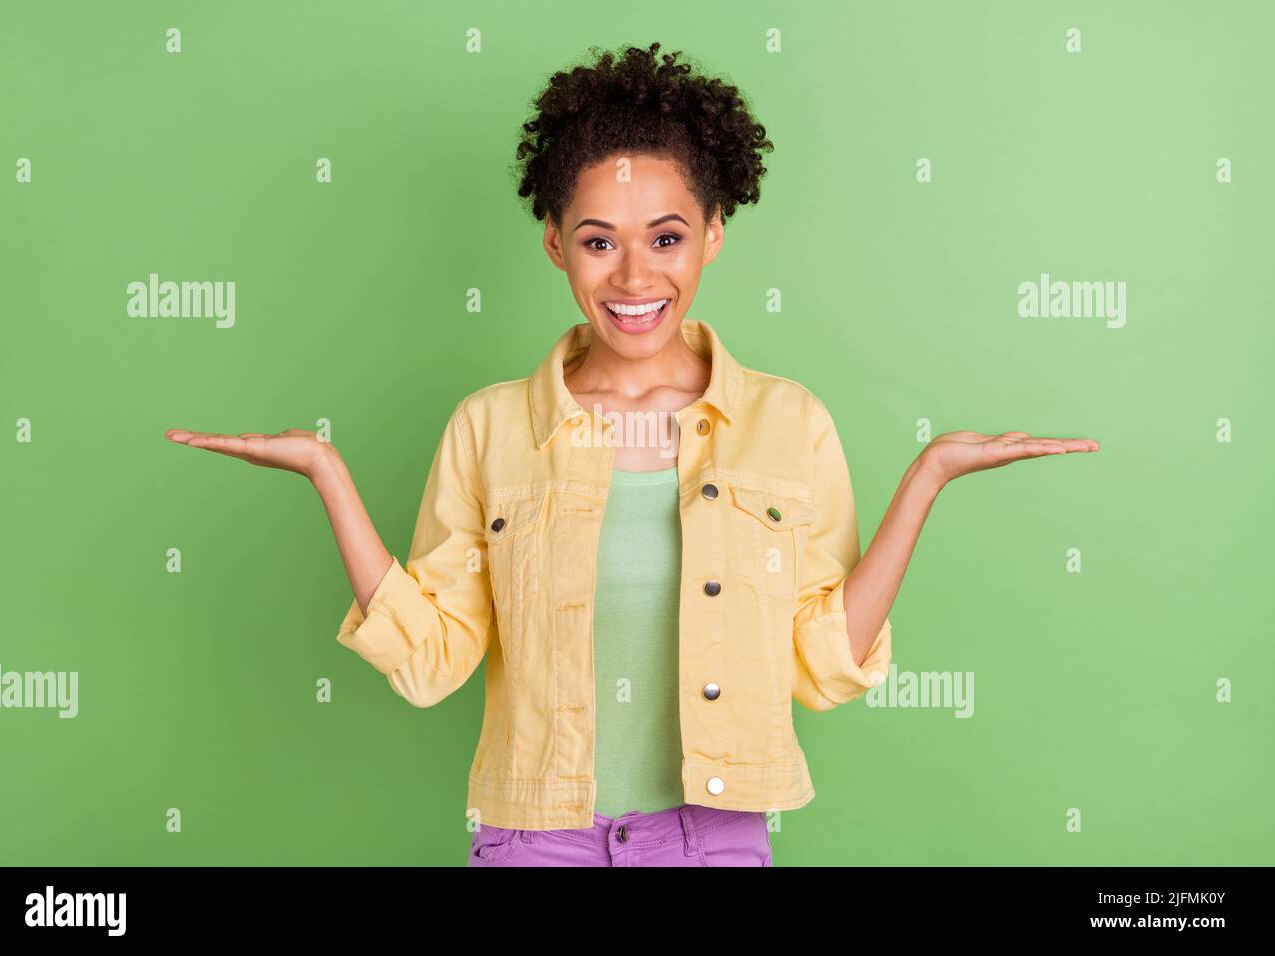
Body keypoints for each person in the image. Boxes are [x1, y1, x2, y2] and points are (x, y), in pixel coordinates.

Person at [164, 42, 1098, 867]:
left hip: (713, 837)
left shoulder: (788, 421)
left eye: (667, 238)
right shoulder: (489, 429)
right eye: (598, 242)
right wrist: (329, 476)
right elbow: (433, 661)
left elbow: (821, 666)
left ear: (714, 235)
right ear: (555, 245)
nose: (635, 278)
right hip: (534, 837)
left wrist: (925, 480)